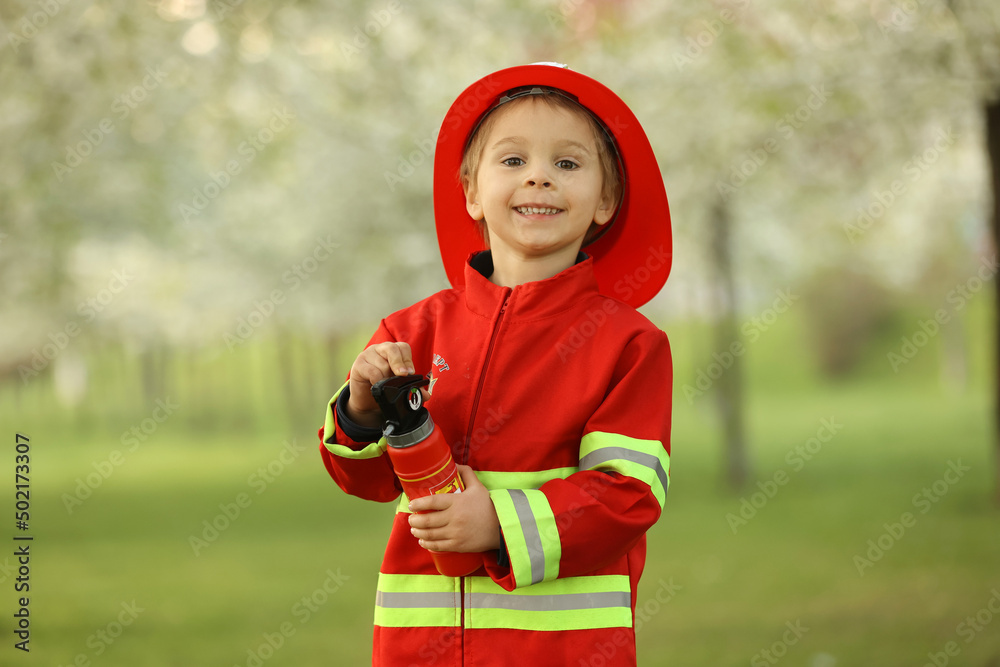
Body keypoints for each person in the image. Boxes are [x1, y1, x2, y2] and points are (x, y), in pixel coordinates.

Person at [318, 62, 673, 666]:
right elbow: (371, 480)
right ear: (472, 193)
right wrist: (357, 409)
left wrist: (498, 522)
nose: (539, 178)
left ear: (605, 200)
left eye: (567, 163)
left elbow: (628, 495)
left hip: (560, 649)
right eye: (513, 161)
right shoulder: (412, 331)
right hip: (418, 648)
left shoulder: (628, 344)